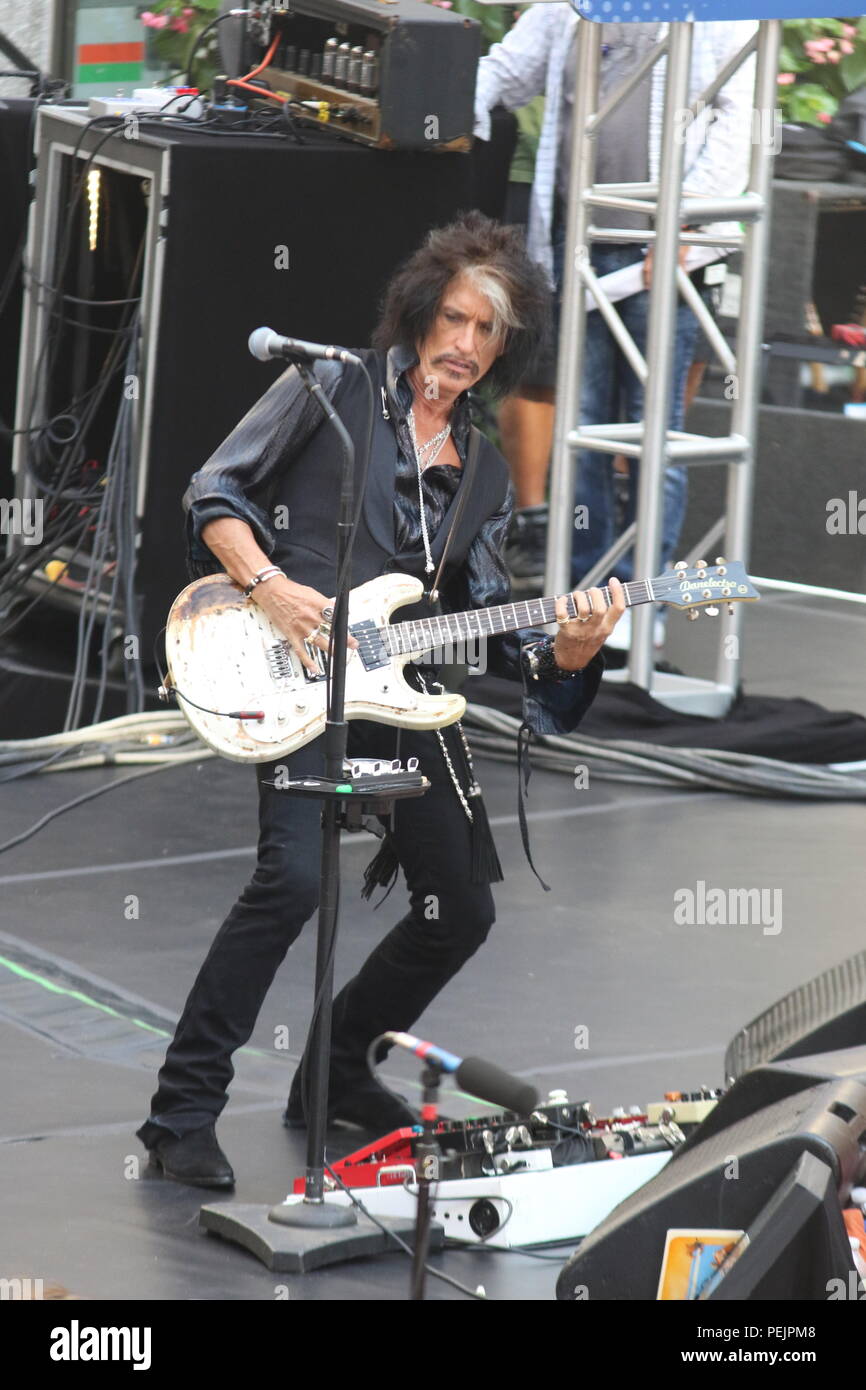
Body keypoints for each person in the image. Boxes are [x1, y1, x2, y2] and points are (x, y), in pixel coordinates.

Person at [135, 212, 626, 1189]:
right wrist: (270, 586)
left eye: (488, 332)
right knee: (293, 882)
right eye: (454, 318)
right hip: (293, 662)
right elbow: (213, 491)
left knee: (459, 912)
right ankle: (180, 1112)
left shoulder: (482, 469)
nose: (466, 345)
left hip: (404, 688)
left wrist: (566, 648)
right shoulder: (331, 387)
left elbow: (487, 619)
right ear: (417, 311)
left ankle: (328, 1070)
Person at [474, 12, 757, 592]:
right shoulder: (566, 11)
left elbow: (739, 122)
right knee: (584, 428)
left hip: (667, 253)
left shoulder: (719, 14)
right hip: (580, 244)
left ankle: (640, 601)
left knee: (655, 430)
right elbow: (504, 71)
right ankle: (586, 595)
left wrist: (681, 227)